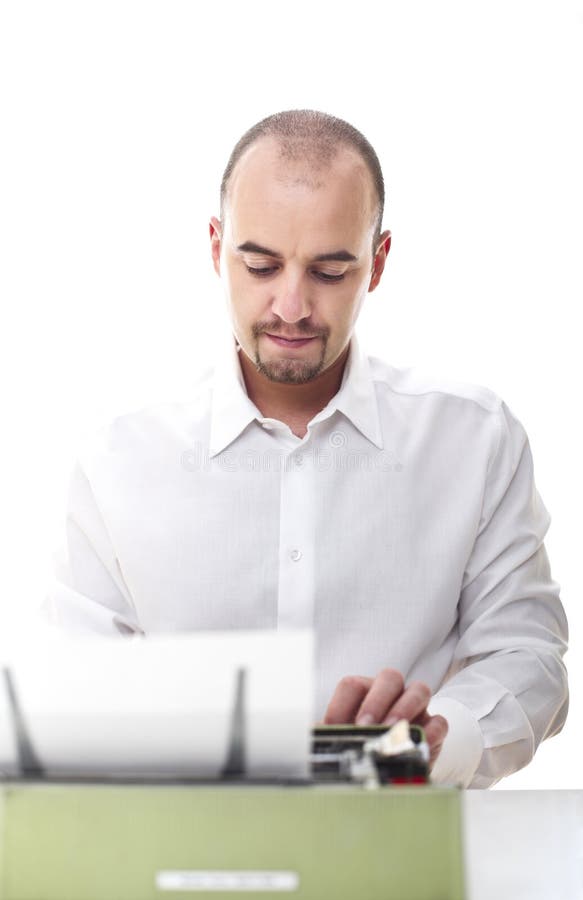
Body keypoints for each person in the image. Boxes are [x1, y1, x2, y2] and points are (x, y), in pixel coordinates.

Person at [42, 109, 568, 788]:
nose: (290, 306)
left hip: (401, 859)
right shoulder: (118, 459)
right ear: (214, 248)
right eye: (260, 265)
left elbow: (528, 653)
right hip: (181, 864)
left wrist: (436, 740)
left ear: (376, 263)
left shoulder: (474, 438)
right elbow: (72, 685)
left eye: (328, 271)